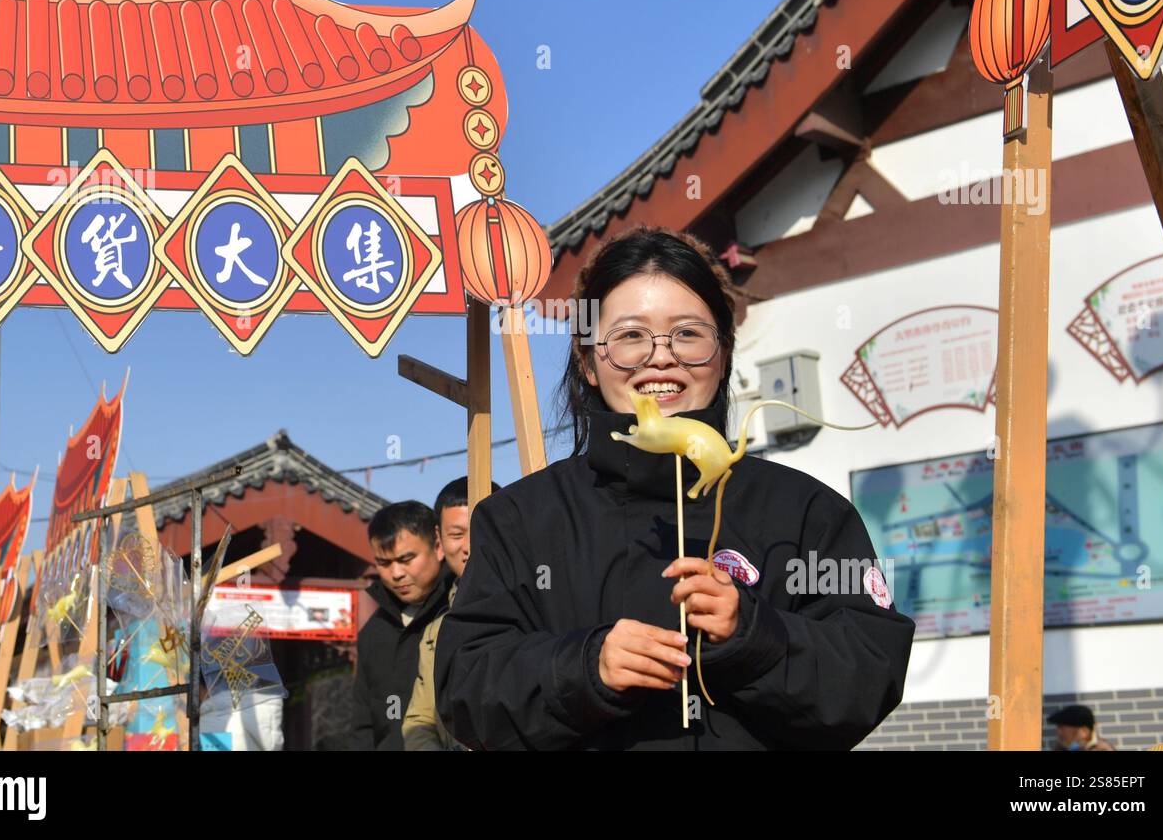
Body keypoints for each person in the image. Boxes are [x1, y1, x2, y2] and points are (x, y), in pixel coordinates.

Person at [434, 226, 915, 750]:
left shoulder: (805, 511)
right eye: (630, 336)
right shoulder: (519, 520)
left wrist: (755, 637)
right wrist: (585, 668)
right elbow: (465, 689)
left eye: (688, 334)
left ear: (724, 351)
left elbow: (870, 674)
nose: (660, 358)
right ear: (587, 360)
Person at [403, 476, 500, 750]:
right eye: (457, 535)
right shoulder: (435, 631)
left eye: (481, 530)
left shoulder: (538, 609)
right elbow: (419, 719)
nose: (469, 547)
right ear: (439, 540)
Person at [349, 500, 453, 750]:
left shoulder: (460, 613)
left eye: (406, 559)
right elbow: (362, 724)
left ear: (437, 546)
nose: (396, 573)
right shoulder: (374, 632)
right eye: (384, 563)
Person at [1047, 704, 1115, 751]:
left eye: (1062, 728)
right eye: (1058, 728)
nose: (1058, 732)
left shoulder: (1102, 749)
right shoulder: (1061, 748)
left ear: (1084, 731)